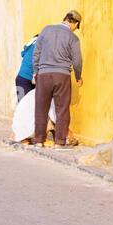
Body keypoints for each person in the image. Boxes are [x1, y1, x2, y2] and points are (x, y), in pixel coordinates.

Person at [32, 10, 83, 148]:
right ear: (75, 23)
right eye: (76, 27)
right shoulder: (73, 38)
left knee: (41, 108)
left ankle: (38, 141)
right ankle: (59, 143)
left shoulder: (46, 29)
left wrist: (36, 71)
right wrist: (78, 77)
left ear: (65, 19)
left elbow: (36, 52)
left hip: (44, 75)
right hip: (62, 76)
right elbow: (77, 60)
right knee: (62, 109)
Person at [16, 35, 37, 100]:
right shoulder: (41, 44)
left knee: (23, 106)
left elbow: (22, 53)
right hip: (30, 79)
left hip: (20, 79)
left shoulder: (32, 43)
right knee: (32, 107)